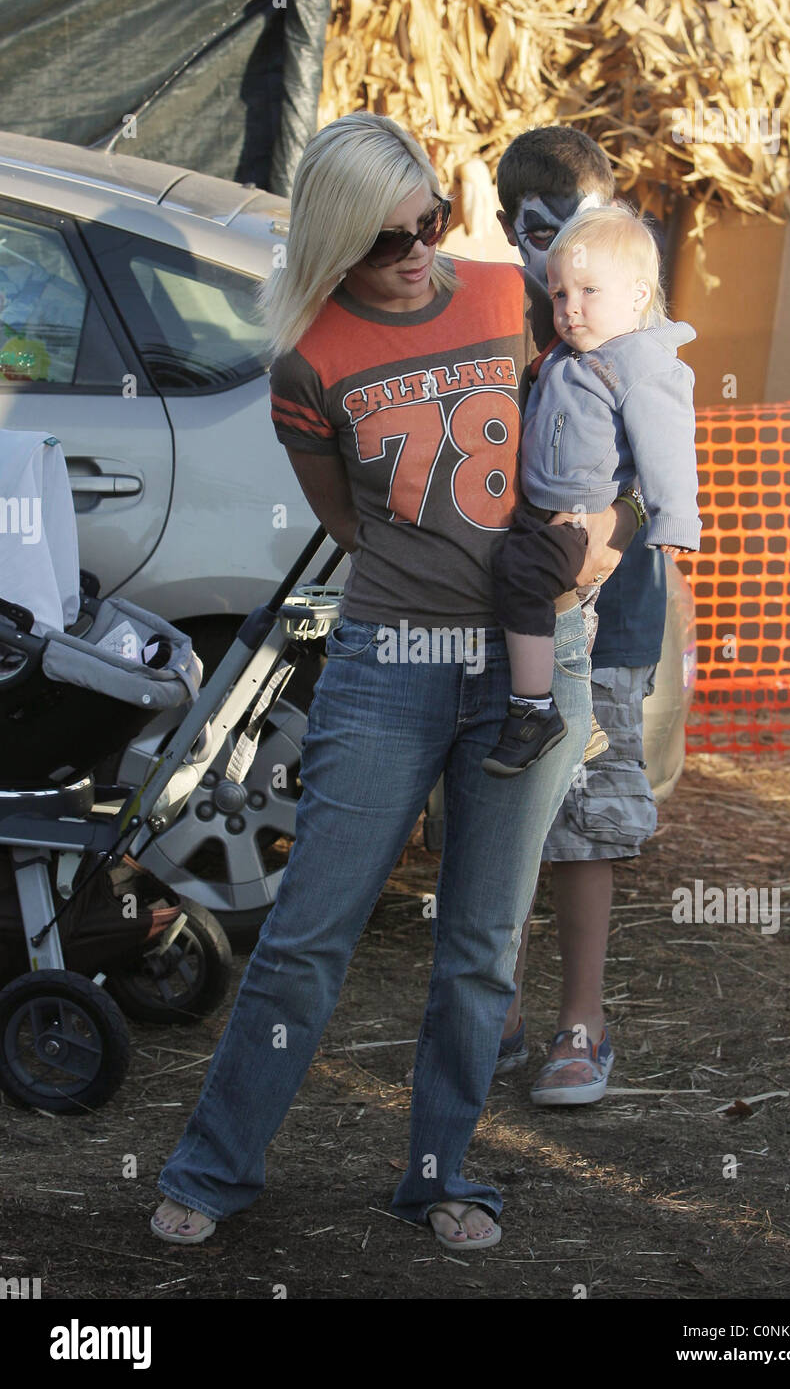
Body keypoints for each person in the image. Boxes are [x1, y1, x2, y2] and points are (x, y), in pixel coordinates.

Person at [149, 112, 639, 1250]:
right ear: (334, 240)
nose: (419, 250)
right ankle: (213, 1168)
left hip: (532, 658)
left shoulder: (507, 299)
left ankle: (441, 1176)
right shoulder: (308, 359)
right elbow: (345, 520)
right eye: (385, 239)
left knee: (479, 944)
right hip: (390, 662)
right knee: (307, 932)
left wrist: (610, 527)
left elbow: (611, 431)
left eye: (432, 220)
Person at [492, 127, 696, 1103]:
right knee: (502, 805)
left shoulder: (627, 323)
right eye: (539, 236)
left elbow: (662, 472)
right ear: (508, 230)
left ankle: (582, 1020)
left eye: (578, 231)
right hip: (513, 603)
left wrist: (618, 530)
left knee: (583, 813)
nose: (560, 262)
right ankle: (494, 1002)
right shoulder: (507, 327)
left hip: (606, 615)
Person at [482, 204, 701, 777]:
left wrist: (675, 519)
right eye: (559, 294)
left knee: (523, 578)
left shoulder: (643, 364)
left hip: (582, 519)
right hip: (540, 508)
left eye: (589, 291)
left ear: (637, 294)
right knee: (557, 613)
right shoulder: (573, 355)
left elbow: (669, 446)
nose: (570, 308)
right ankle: (578, 720)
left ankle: (535, 711)